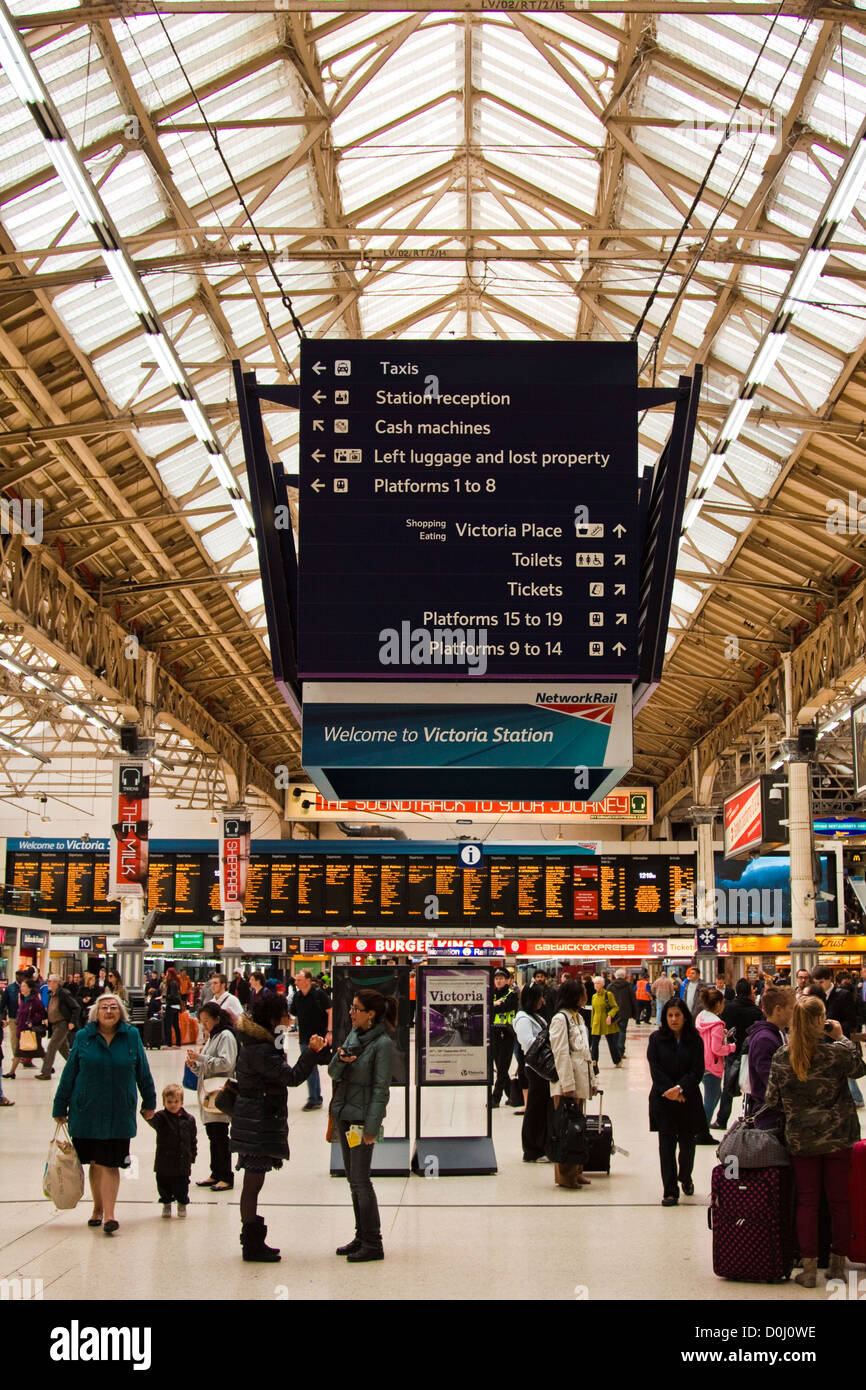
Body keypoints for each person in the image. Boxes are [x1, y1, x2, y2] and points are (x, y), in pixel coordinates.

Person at [764, 995, 866, 1286]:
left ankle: (808, 1270)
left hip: (801, 1139)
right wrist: (843, 1037)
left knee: (807, 1202)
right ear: (822, 1021)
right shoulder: (836, 1052)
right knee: (839, 1201)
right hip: (838, 1137)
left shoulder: (783, 1055)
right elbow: (860, 1068)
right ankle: (836, 1265)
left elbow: (772, 1099)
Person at [231, 991, 325, 1261]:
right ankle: (251, 1242)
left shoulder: (260, 1039)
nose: (290, 1017)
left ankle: (252, 1238)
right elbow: (291, 1076)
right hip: (256, 1120)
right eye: (285, 1013)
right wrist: (311, 1051)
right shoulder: (260, 1048)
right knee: (253, 1180)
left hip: (255, 1117)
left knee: (254, 1180)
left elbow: (280, 1057)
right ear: (273, 1018)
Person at [53, 994, 156, 1235]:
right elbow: (70, 1073)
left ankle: (109, 1215)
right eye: (104, 1008)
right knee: (96, 1163)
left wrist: (149, 1100)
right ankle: (97, 1209)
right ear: (95, 1013)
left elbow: (143, 1069)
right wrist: (60, 1106)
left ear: (121, 1012)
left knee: (110, 1162)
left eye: (113, 1008)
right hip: (87, 1109)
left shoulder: (131, 1036)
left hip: (119, 1109)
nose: (109, 1011)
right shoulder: (83, 1037)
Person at [328, 988, 396, 1262]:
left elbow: (382, 1089)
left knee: (361, 1180)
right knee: (352, 1180)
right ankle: (361, 1235)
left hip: (361, 1120)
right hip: (344, 1113)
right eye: (352, 1007)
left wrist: (371, 1128)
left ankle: (373, 1242)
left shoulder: (383, 1045)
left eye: (357, 1009)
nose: (351, 1013)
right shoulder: (354, 1035)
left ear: (372, 1014)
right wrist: (341, 1061)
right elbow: (333, 1071)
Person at [647, 998, 706, 1206]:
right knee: (666, 1146)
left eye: (677, 1015)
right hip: (663, 1101)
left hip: (687, 1100)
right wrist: (670, 1090)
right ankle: (670, 1190)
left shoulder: (695, 1039)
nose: (673, 1019)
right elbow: (655, 1069)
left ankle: (686, 1176)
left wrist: (681, 1088)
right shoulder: (656, 1039)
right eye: (670, 1015)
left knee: (688, 1146)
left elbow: (698, 1070)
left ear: (684, 1017)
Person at [548, 977, 595, 1189]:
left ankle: (578, 1169)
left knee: (578, 1128)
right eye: (583, 991)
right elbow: (561, 1053)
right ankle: (565, 1175)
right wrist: (567, 1084)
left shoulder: (578, 1017)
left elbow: (585, 1051)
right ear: (575, 996)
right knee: (566, 1128)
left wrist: (592, 1079)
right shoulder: (560, 1019)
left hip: (581, 1080)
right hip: (567, 1083)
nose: (587, 994)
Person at [188, 1001, 238, 1191]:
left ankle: (226, 1175)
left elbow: (226, 1063)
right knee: (213, 1134)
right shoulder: (213, 1036)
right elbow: (208, 1065)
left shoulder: (225, 1036)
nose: (204, 1026)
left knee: (220, 1135)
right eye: (202, 1022)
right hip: (209, 1094)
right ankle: (215, 1172)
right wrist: (195, 1066)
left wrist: (200, 1058)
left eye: (207, 1021)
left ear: (217, 1019)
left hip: (221, 1093)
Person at [713, 978, 763, 1129]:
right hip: (750, 1052)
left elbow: (723, 1027)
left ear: (736, 991)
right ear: (749, 992)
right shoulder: (755, 1011)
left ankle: (722, 1120)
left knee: (728, 1086)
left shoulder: (728, 1008)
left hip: (732, 1051)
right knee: (750, 1086)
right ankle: (749, 1117)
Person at [744, 985, 795, 1129]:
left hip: (775, 1114)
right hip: (770, 1118)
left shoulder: (777, 1034)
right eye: (791, 1008)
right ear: (778, 1009)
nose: (794, 1013)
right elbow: (770, 1081)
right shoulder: (765, 1039)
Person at [813, 965, 864, 1107]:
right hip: (822, 1043)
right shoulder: (815, 996)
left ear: (829, 979)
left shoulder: (842, 995)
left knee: (847, 1072)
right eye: (816, 983)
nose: (819, 986)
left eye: (821, 982)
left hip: (838, 1040)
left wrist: (837, 1030)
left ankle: (857, 1098)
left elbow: (852, 1019)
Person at [145, 1083, 197, 1218]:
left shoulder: (189, 1119)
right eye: (169, 1102)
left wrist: (192, 1155)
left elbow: (193, 1139)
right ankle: (166, 1203)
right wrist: (147, 1113)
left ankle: (182, 1203)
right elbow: (151, 1120)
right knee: (163, 1184)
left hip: (182, 1161)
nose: (172, 1105)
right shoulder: (161, 1118)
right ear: (164, 1102)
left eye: (176, 1101)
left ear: (182, 1102)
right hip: (164, 1161)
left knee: (182, 1185)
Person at [514, 983, 551, 1163]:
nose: (542, 1001)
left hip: (544, 1070)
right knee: (534, 1109)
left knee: (543, 1108)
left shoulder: (536, 1017)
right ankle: (531, 1150)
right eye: (539, 997)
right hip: (535, 1069)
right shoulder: (522, 1019)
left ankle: (542, 1145)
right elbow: (528, 1044)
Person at [289, 970, 333, 1110]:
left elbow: (330, 1011)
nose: (296, 983)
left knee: (332, 1064)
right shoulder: (297, 997)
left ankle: (322, 1097)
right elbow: (294, 1013)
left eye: (299, 980)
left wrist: (330, 1031)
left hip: (322, 1037)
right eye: (296, 980)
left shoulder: (319, 994)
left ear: (308, 980)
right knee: (310, 1068)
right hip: (305, 1039)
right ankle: (314, 1098)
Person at [695, 988, 736, 1126]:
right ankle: (702, 1130)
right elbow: (716, 1049)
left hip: (700, 1061)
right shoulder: (717, 1023)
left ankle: (700, 1128)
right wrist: (731, 1047)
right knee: (711, 1100)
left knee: (714, 1095)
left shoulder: (701, 1017)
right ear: (718, 1003)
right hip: (712, 1065)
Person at [36, 974, 81, 1081]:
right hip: (54, 1025)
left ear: (56, 983)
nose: (48, 983)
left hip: (62, 1024)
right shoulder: (52, 994)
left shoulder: (64, 993)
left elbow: (76, 1007)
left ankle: (46, 1072)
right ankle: (79, 1067)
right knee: (64, 1050)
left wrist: (72, 1021)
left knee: (51, 1047)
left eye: (50, 981)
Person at [3, 977, 47, 1077]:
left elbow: (42, 1013)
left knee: (38, 1051)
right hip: (22, 1030)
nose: (21, 988)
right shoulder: (23, 1000)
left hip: (29, 1031)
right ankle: (12, 1072)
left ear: (30, 988)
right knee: (20, 1052)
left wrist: (33, 1021)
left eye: (24, 986)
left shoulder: (34, 1001)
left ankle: (48, 1066)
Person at [490, 968, 519, 1106]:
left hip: (508, 1034)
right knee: (501, 1066)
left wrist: (493, 1006)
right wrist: (493, 1005)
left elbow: (504, 1008)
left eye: (501, 978)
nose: (499, 980)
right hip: (494, 1034)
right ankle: (513, 1096)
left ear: (508, 980)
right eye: (496, 978)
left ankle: (495, 1097)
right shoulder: (491, 995)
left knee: (502, 1067)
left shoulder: (512, 995)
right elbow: (485, 1009)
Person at [589, 975, 621, 1073]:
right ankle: (594, 1061)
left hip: (606, 1023)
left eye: (598, 983)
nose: (596, 985)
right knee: (594, 1044)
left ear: (602, 984)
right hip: (596, 1023)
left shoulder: (608, 994)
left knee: (611, 1043)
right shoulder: (594, 996)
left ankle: (617, 1060)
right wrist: (591, 1023)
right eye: (595, 983)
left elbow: (615, 1007)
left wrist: (610, 1016)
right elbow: (593, 1011)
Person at [610, 968, 636, 1060]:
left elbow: (607, 1000)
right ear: (625, 976)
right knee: (622, 1031)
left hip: (613, 1013)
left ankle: (616, 1052)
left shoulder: (611, 986)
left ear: (615, 976)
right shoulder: (628, 986)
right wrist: (635, 1013)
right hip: (625, 1012)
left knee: (615, 1032)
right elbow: (633, 999)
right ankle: (621, 1051)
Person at [161, 967, 183, 1048]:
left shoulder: (172, 983)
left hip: (171, 1005)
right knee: (175, 1024)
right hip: (176, 1006)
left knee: (168, 1025)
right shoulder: (176, 982)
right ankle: (178, 1043)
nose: (166, 975)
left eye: (167, 973)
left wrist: (164, 996)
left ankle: (169, 1043)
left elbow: (172, 995)